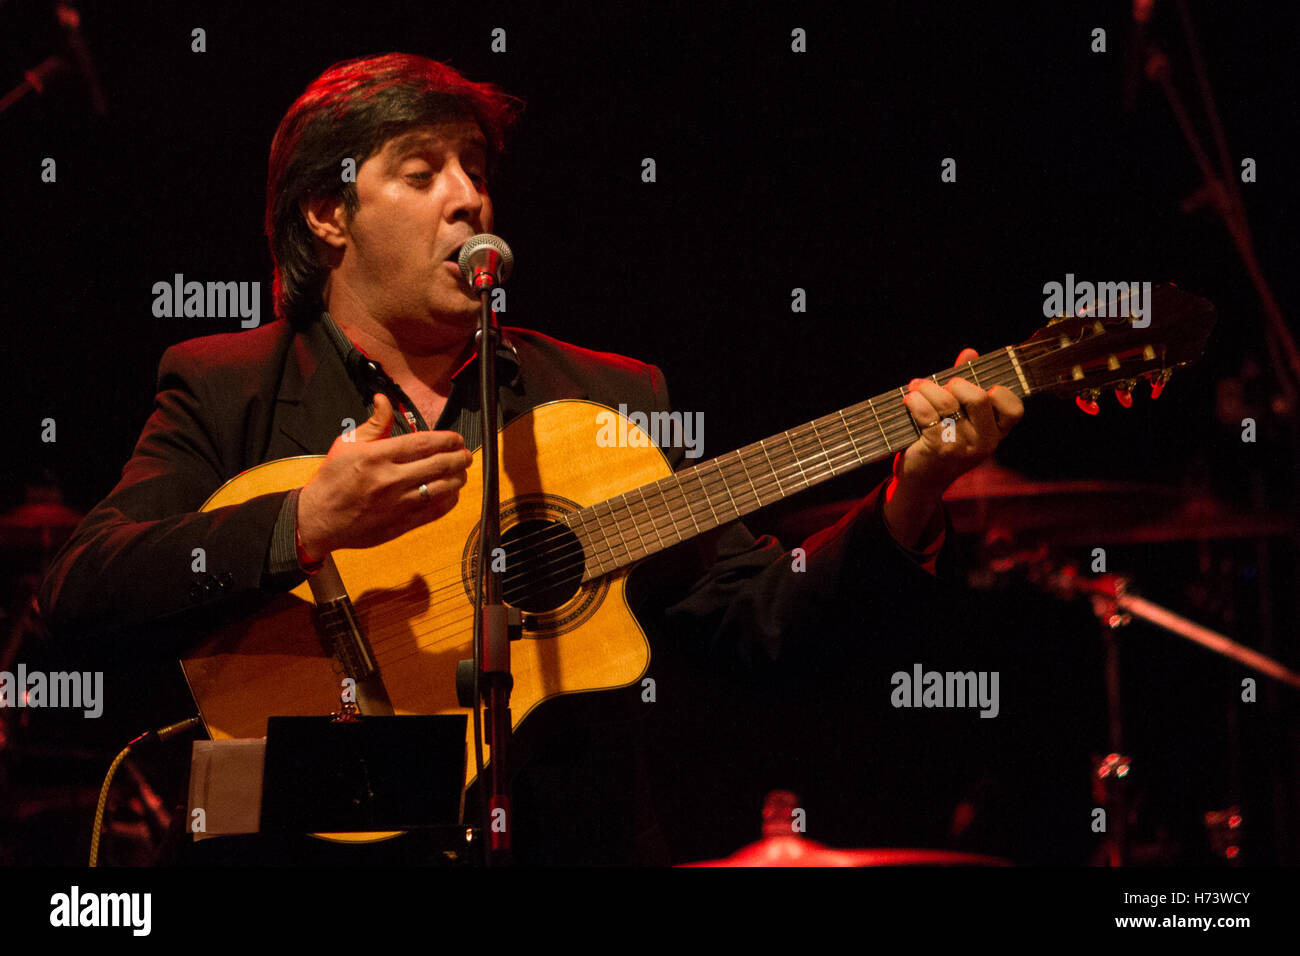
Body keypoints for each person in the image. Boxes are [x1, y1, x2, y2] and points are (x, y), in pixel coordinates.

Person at [38, 53, 1023, 864]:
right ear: (326, 216)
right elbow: (80, 588)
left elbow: (761, 624)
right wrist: (302, 524)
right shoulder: (227, 384)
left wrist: (913, 489)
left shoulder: (605, 400)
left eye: (473, 167)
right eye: (420, 174)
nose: (467, 196)